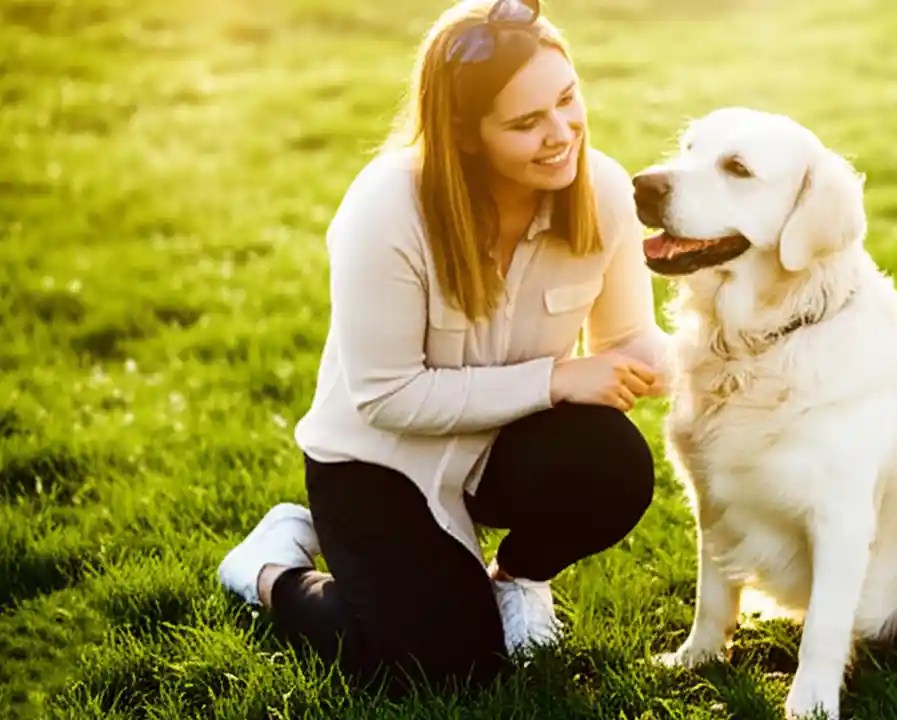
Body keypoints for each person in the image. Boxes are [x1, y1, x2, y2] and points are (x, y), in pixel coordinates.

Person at [216, 0, 668, 693]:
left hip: (501, 445)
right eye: (526, 123)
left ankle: (517, 580)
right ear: (463, 133)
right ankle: (270, 566)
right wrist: (555, 381)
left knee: (614, 463)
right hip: (377, 461)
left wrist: (732, 355)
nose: (562, 134)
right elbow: (388, 397)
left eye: (568, 100)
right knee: (437, 667)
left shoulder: (601, 189)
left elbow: (629, 341)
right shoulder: (386, 208)